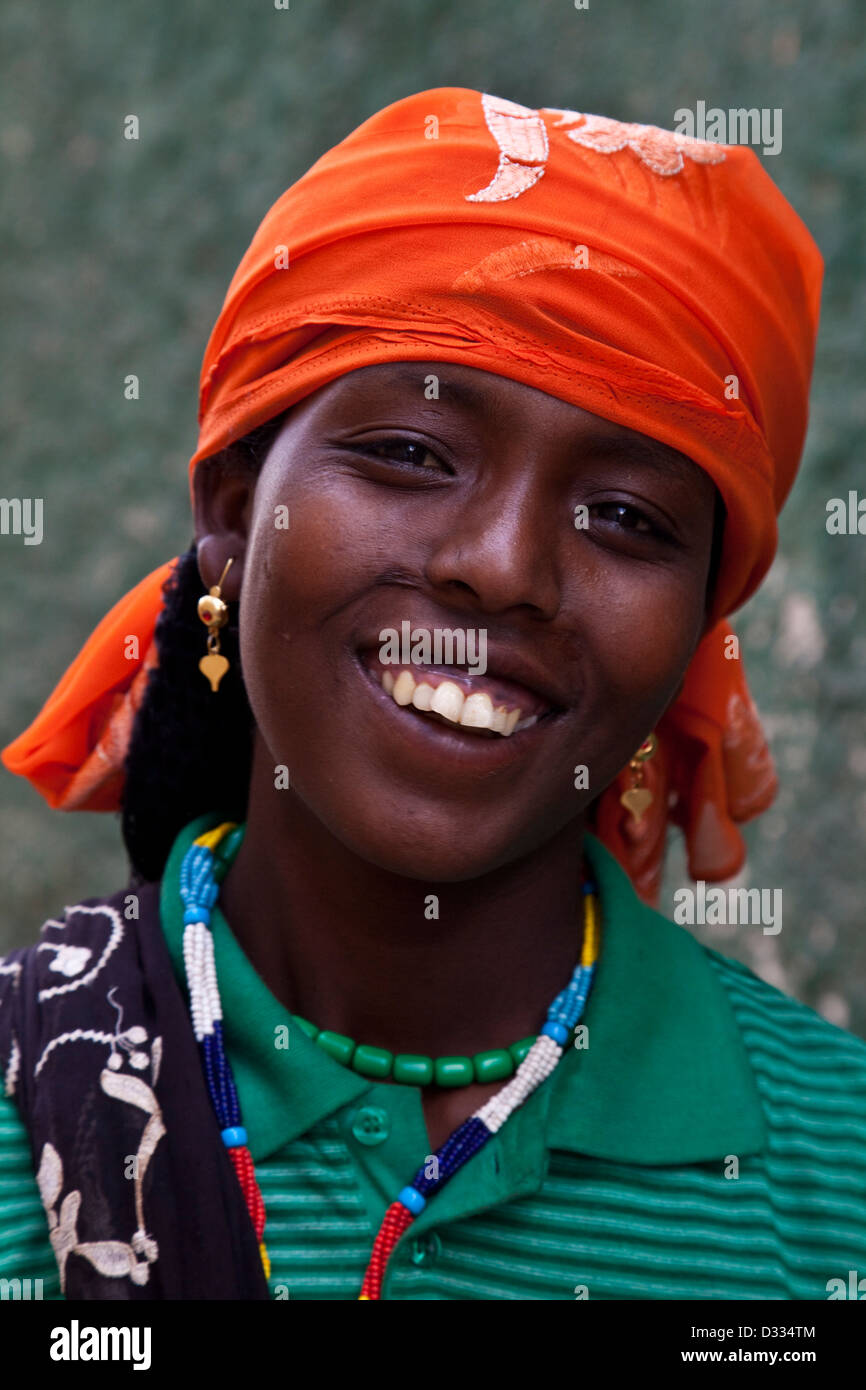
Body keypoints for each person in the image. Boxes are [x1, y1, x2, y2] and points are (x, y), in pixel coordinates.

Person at [1, 87, 864, 1302]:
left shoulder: (835, 1177)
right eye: (409, 451)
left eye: (623, 517)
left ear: (695, 635)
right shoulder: (19, 1090)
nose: (503, 566)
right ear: (234, 514)